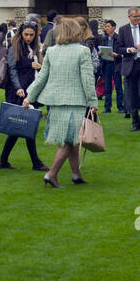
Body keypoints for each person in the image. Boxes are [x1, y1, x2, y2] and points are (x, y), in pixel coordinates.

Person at [23, 17, 97, 188]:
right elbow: (87, 79)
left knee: (70, 139)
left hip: (55, 102)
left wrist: (29, 96)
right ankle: (51, 174)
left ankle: (76, 174)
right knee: (67, 140)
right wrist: (93, 101)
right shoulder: (82, 51)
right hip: (75, 102)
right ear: (76, 32)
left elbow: (42, 77)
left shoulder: (52, 51)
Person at [0, 22, 47, 171]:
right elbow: (12, 69)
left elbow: (36, 66)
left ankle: (3, 160)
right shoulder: (14, 47)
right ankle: (35, 162)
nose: (29, 37)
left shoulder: (34, 47)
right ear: (21, 34)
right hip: (17, 90)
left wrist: (39, 66)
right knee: (26, 125)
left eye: (32, 35)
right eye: (26, 34)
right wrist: (18, 87)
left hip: (29, 89)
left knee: (20, 126)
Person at [114, 8, 140, 132]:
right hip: (129, 65)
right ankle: (135, 123)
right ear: (129, 17)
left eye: (138, 16)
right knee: (132, 95)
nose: (137, 19)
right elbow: (118, 48)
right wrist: (128, 50)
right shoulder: (123, 29)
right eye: (134, 17)